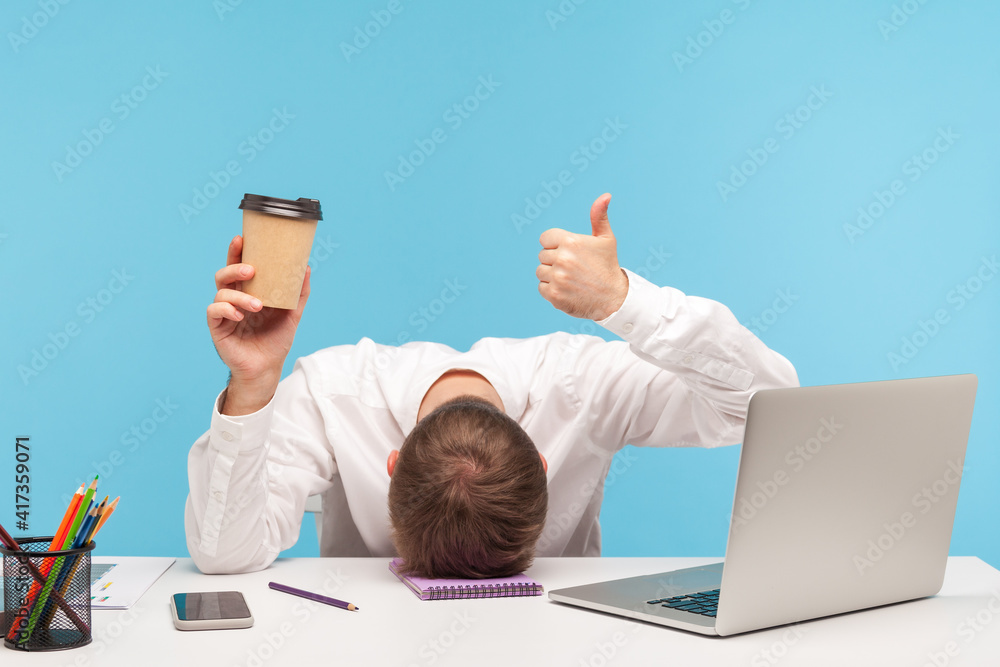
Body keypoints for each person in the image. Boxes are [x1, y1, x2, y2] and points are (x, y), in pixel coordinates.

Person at [185, 193, 798, 577]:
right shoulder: (332, 392)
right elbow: (225, 554)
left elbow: (766, 407)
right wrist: (253, 383)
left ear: (393, 466)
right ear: (540, 458)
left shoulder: (583, 383)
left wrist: (624, 302)